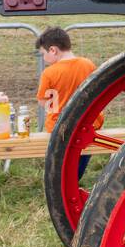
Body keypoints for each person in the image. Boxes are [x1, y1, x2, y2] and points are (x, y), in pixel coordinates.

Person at [35, 28, 99, 179]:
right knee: (79, 161)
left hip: (60, 129)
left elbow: (43, 101)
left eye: (43, 54)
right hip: (89, 125)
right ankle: (75, 180)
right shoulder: (88, 64)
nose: (43, 59)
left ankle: (65, 184)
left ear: (53, 50)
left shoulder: (49, 73)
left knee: (62, 168)